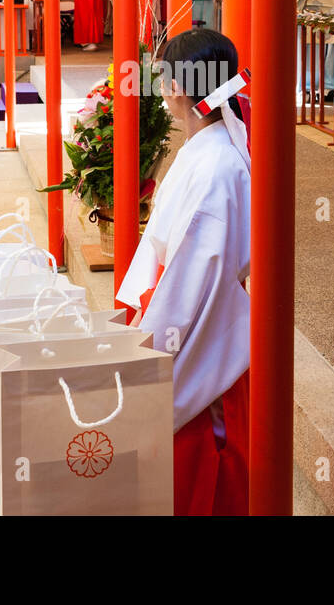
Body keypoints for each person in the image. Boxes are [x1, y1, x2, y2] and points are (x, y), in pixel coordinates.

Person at [116, 28, 250, 516]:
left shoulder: (215, 164)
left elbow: (194, 279)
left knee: (199, 474)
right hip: (191, 312)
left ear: (177, 87)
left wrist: (150, 349)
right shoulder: (212, 146)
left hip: (199, 333)